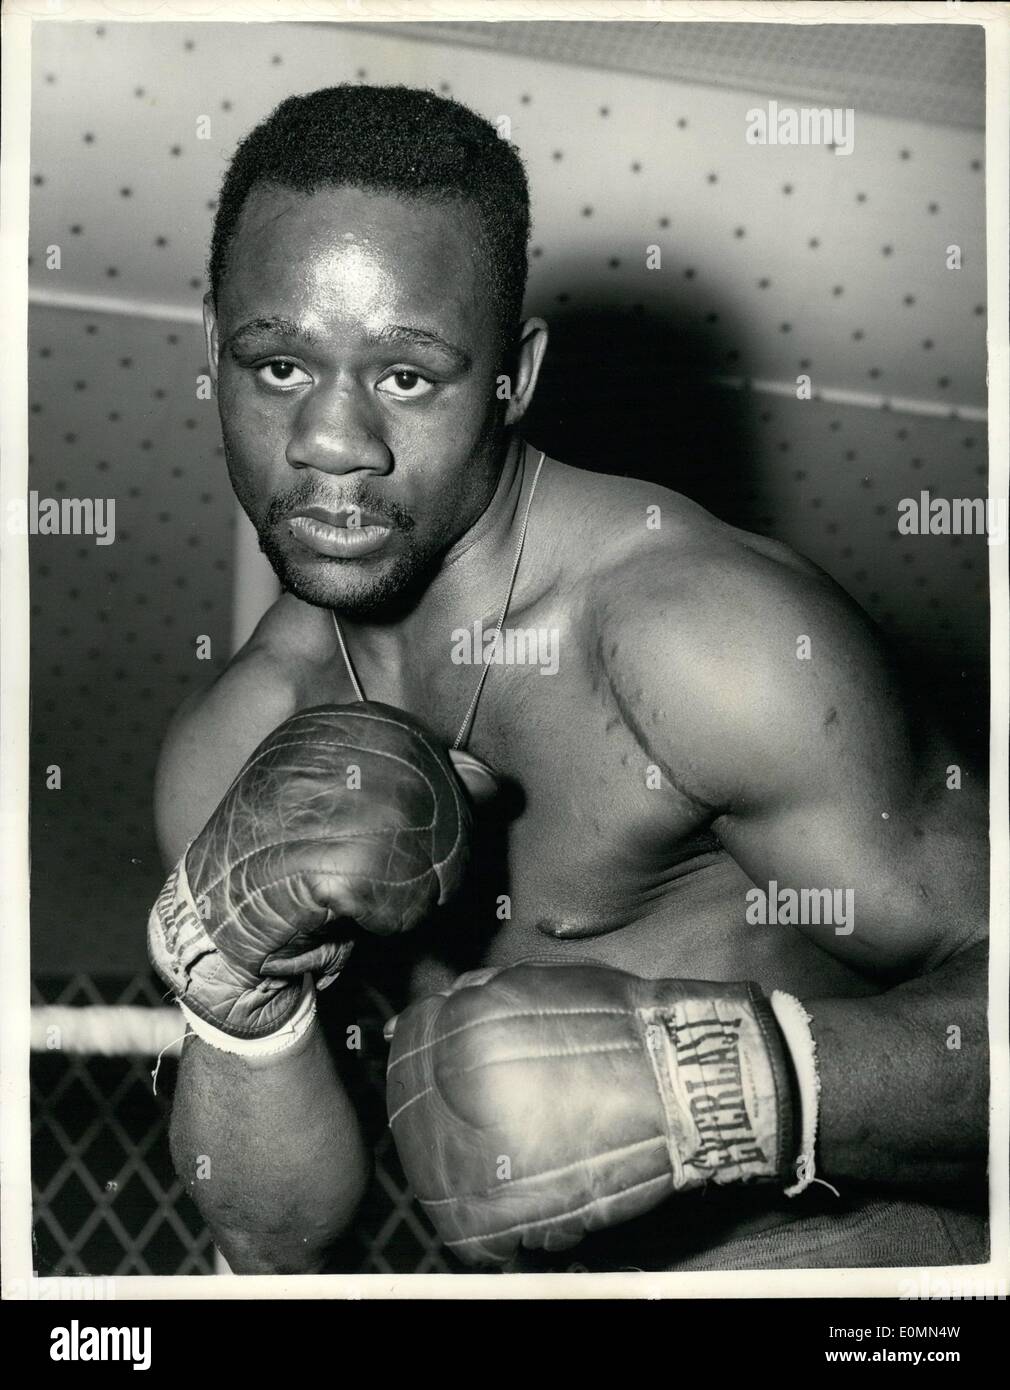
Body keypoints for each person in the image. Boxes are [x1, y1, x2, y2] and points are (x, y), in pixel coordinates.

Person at [149, 85, 988, 1274]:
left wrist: (745, 1087)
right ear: (215, 354)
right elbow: (272, 1234)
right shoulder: (235, 738)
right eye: (279, 365)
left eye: (405, 376)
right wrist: (233, 991)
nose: (331, 441)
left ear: (514, 375)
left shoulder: (695, 635)